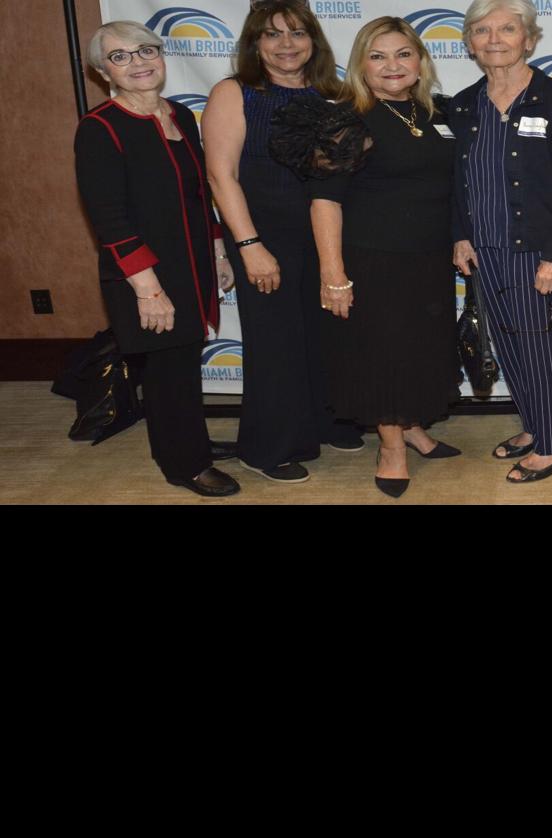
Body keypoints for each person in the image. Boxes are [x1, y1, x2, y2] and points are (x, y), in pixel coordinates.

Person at [279, 16, 462, 498]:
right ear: (361, 65)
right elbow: (324, 200)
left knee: (421, 349)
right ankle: (391, 448)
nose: (392, 65)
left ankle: (413, 427)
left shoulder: (434, 115)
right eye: (378, 56)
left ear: (420, 61)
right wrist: (333, 274)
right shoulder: (348, 119)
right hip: (374, 261)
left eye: (403, 54)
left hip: (428, 259)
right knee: (383, 356)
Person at [75, 21, 239, 498]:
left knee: (185, 363)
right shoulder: (100, 127)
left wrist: (217, 248)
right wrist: (147, 289)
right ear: (102, 70)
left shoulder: (180, 117)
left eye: (146, 50)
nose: (138, 62)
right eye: (121, 56)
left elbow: (195, 195)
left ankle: (192, 442)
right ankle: (183, 464)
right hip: (144, 275)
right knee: (167, 371)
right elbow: (109, 217)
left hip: (190, 263)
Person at [205, 0, 360, 485]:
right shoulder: (236, 92)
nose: (286, 45)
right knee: (275, 342)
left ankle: (324, 421)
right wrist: (249, 244)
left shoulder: (332, 93)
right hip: (263, 235)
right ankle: (266, 446)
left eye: (296, 33)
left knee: (324, 335)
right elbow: (220, 175)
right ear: (255, 44)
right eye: (272, 35)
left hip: (324, 234)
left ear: (313, 40)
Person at [450, 0, 552, 484]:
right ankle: (537, 426)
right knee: (512, 349)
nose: (494, 39)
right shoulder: (465, 102)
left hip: (542, 250)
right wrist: (461, 235)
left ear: (529, 40)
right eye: (482, 31)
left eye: (507, 29)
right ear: (469, 43)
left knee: (544, 349)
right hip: (486, 250)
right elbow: (457, 180)